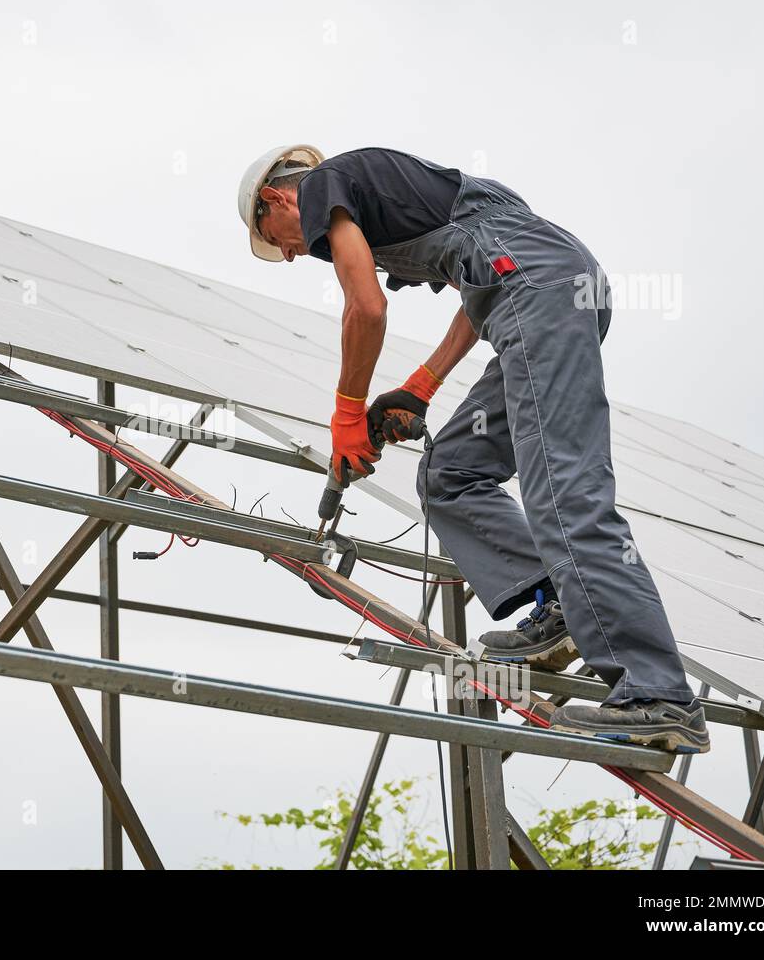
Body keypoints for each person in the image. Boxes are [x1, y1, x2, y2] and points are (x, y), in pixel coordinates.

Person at [235, 145, 708, 753]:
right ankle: (560, 602)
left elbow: (366, 308)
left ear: (275, 199)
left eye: (280, 241)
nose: (294, 253)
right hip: (538, 293)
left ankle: (658, 695)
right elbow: (477, 288)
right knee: (449, 472)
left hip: (537, 298)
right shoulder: (410, 199)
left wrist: (347, 411)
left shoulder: (330, 182)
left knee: (565, 494)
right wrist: (420, 386)